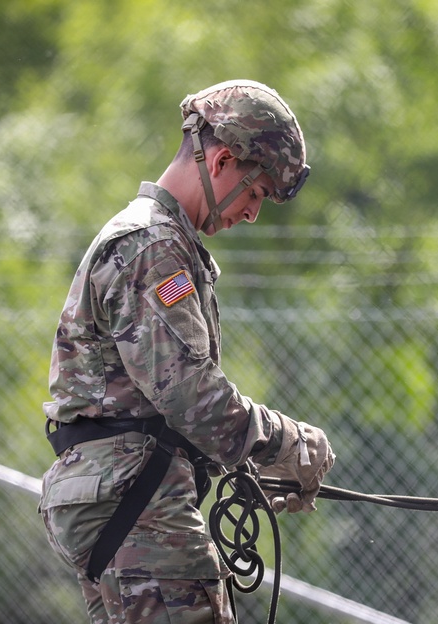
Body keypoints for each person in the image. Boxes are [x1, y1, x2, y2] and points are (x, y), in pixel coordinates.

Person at [39, 79, 335, 624]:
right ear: (222, 160)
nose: (252, 214)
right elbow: (187, 392)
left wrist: (250, 456)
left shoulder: (161, 244)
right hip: (134, 500)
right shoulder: (152, 247)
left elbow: (166, 398)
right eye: (257, 193)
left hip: (121, 493)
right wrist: (286, 442)